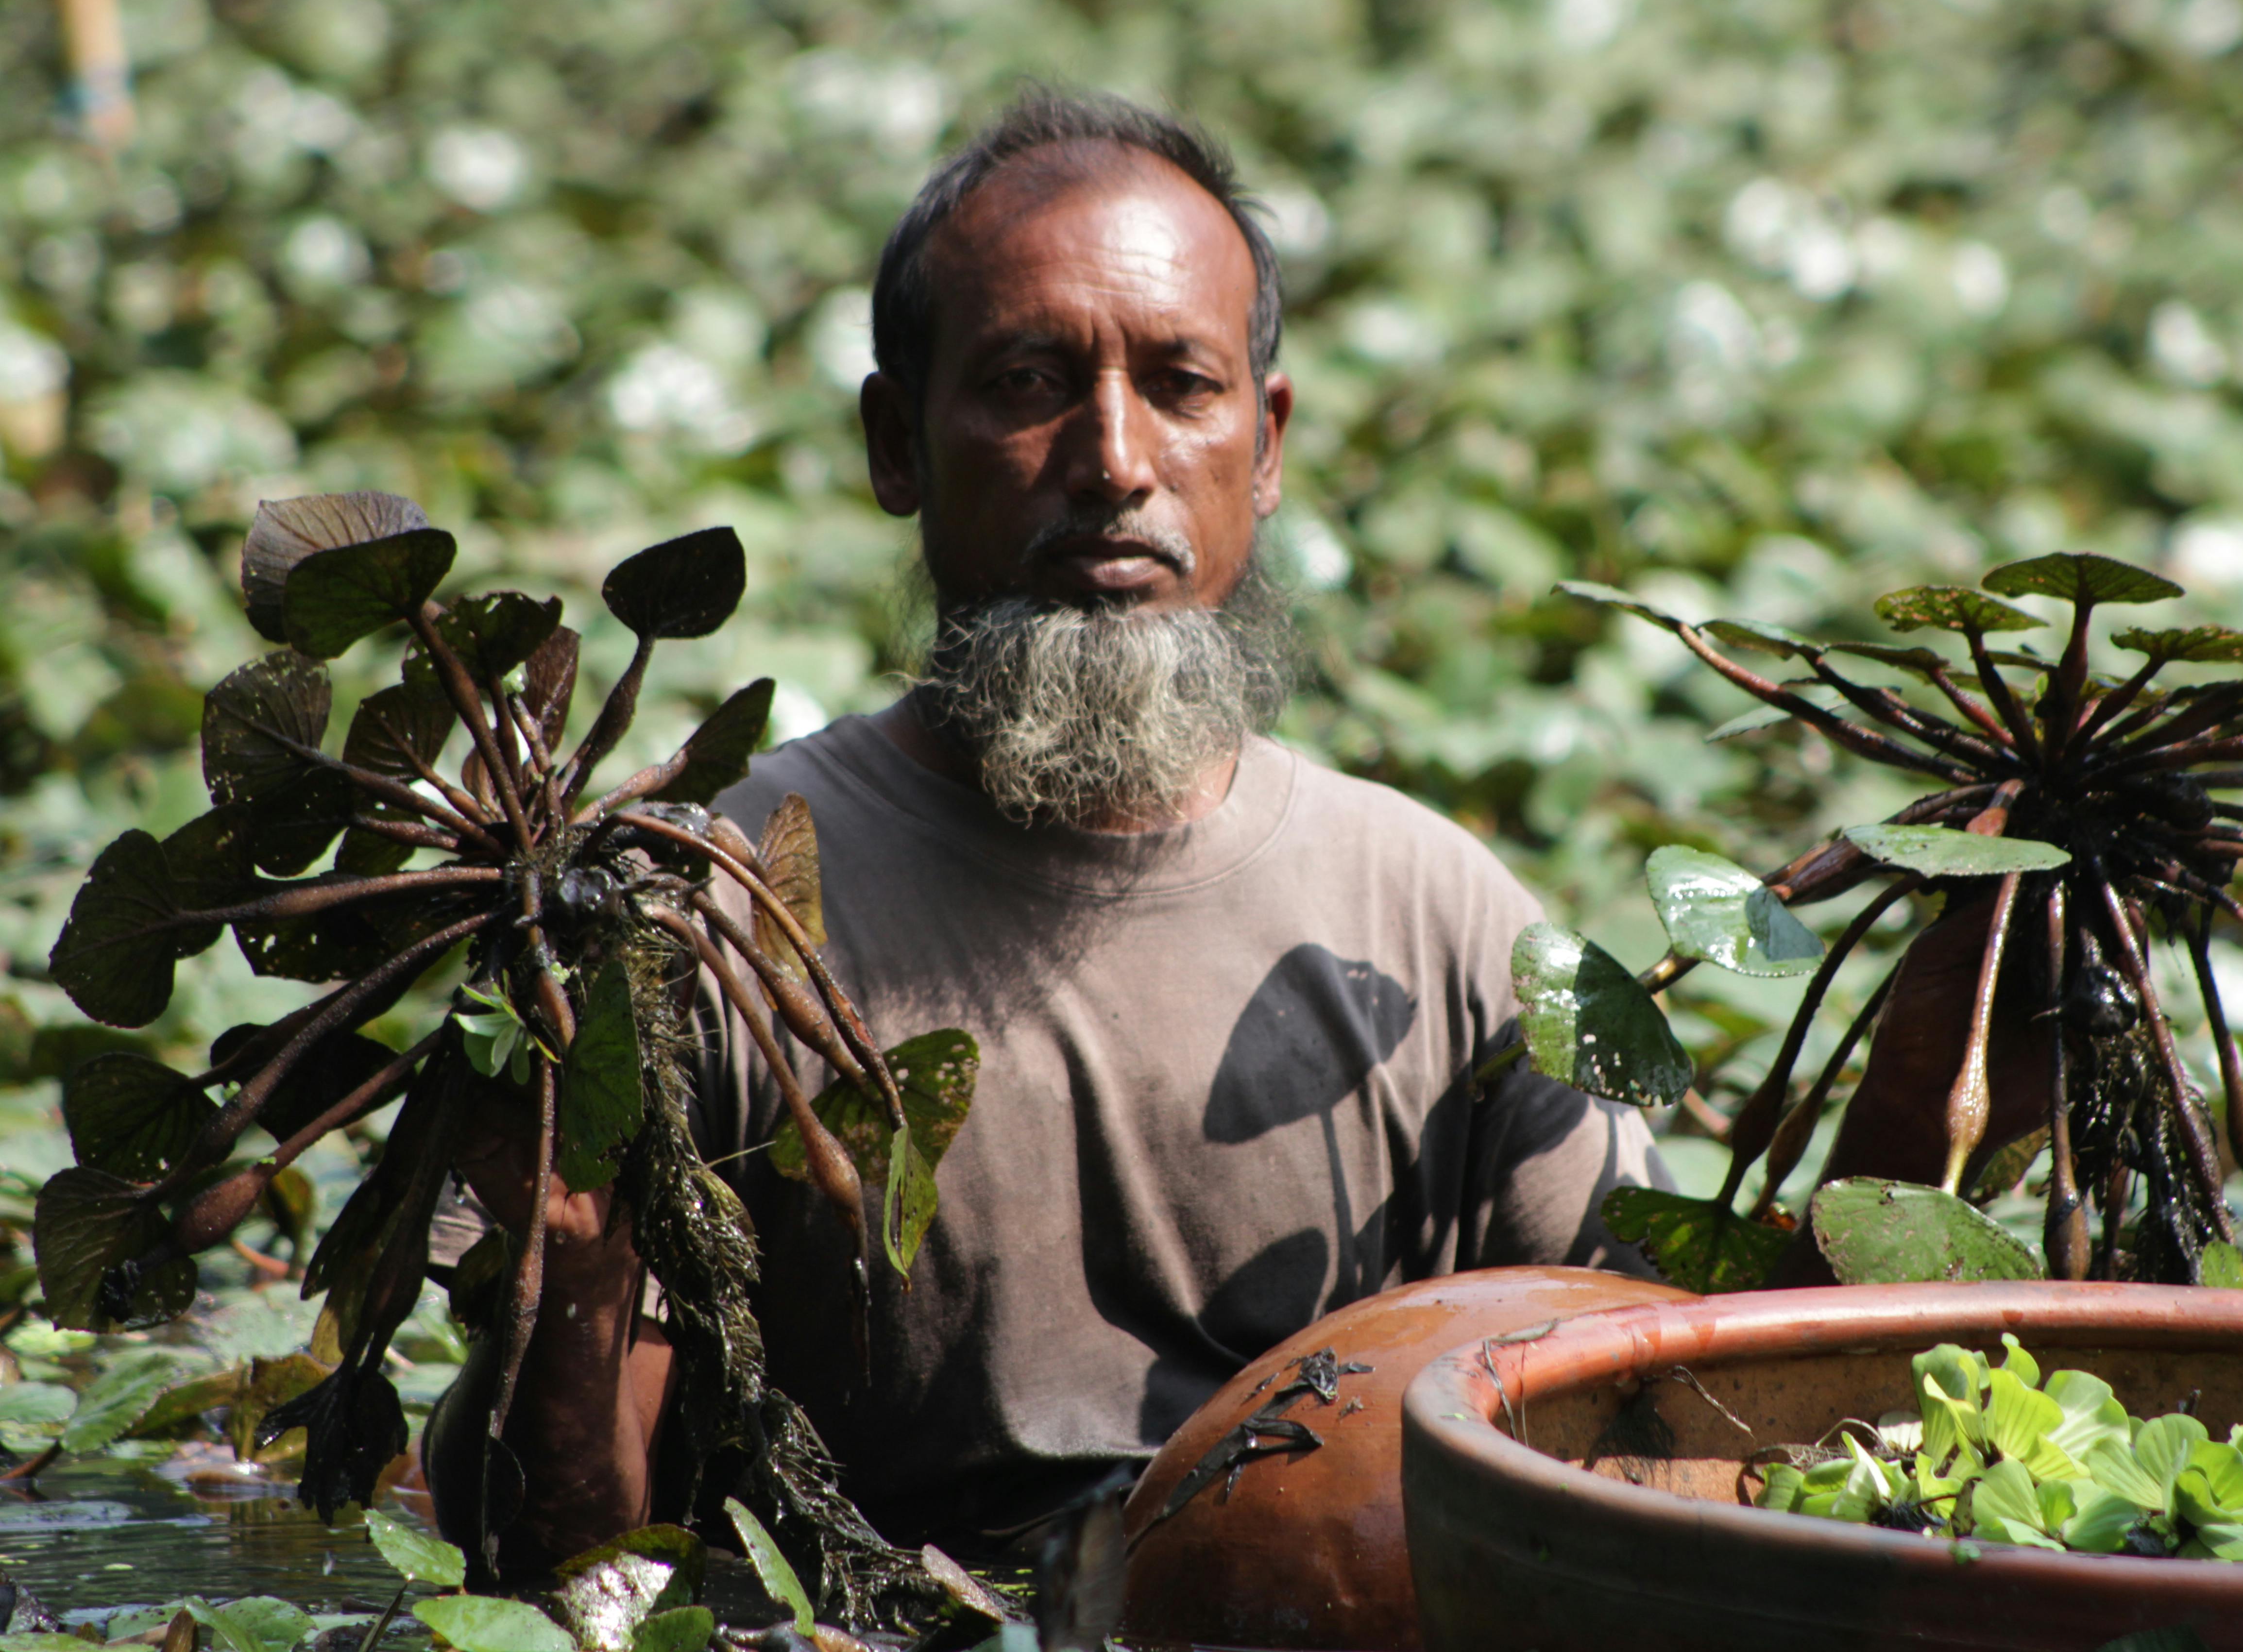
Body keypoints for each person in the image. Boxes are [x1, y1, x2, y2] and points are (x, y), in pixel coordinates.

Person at [442, 88, 1666, 1568]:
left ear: (1264, 449)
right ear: (897, 446)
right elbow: (553, 1562)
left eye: (1183, 385)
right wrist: (572, 1255)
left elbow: (1641, 1438)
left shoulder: (1444, 916)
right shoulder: (701, 918)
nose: (1116, 459)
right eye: (1030, 382)